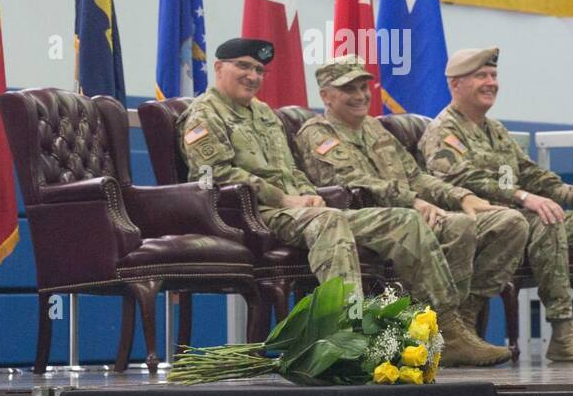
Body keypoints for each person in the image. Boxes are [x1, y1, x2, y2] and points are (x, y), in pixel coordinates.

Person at [177, 38, 508, 366]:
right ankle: (348, 336)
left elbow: (290, 168)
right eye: (244, 67)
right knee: (331, 222)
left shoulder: (264, 113)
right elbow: (213, 174)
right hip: (256, 214)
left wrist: (310, 194)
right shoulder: (203, 114)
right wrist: (285, 197)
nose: (253, 75)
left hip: (300, 210)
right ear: (219, 67)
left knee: (404, 221)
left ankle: (441, 327)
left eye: (259, 69)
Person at [420, 47, 573, 363]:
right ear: (455, 84)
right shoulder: (444, 130)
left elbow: (532, 174)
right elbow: (462, 178)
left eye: (493, 75)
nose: (490, 82)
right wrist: (524, 197)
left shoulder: (495, 130)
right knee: (546, 216)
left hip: (522, 222)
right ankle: (563, 332)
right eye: (481, 76)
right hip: (481, 228)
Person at [296, 55, 526, 353]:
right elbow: (354, 181)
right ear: (326, 95)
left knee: (485, 222)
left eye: (364, 87)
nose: (360, 95)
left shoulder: (376, 129)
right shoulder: (317, 133)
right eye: (348, 89)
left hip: (407, 212)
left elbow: (416, 176)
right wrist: (413, 202)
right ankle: (443, 329)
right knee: (417, 222)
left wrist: (461, 197)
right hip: (359, 218)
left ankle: (452, 324)